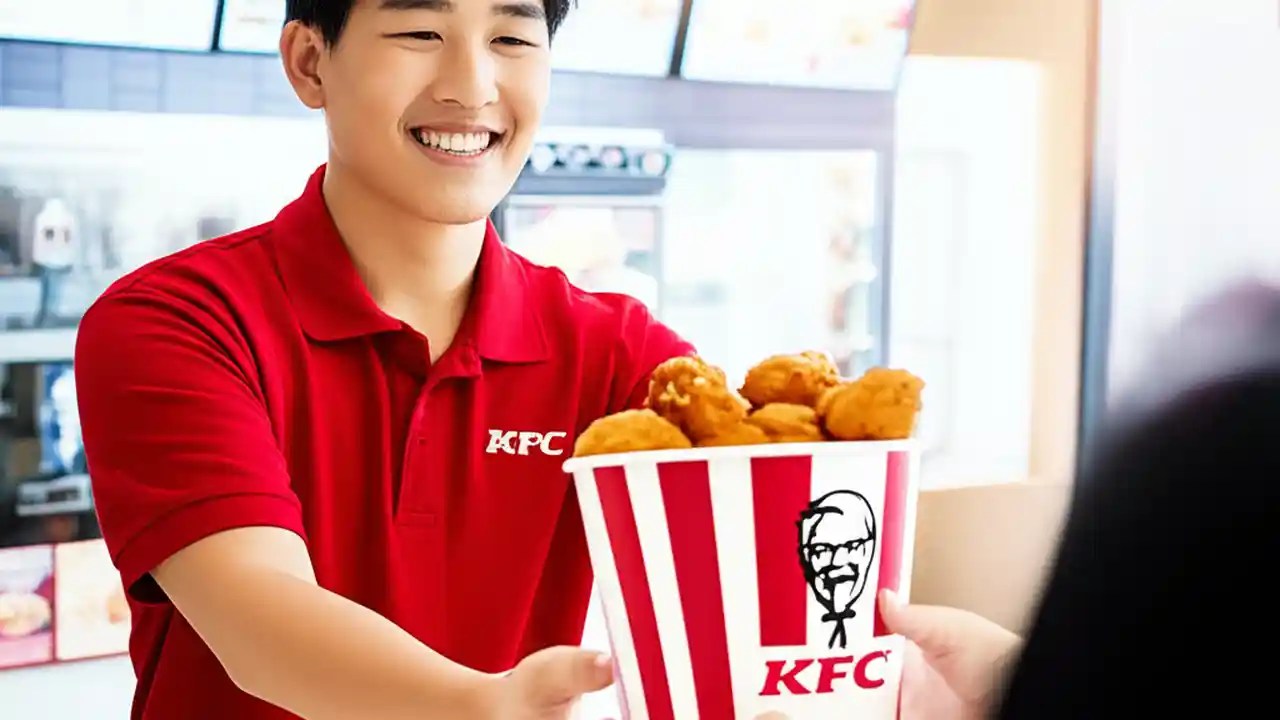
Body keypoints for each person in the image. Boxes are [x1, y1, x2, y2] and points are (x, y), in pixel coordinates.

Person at [75, 2, 696, 719]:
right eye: (420, 33)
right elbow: (259, 628)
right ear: (310, 62)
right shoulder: (178, 321)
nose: (472, 85)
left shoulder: (618, 354)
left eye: (511, 39)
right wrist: (482, 706)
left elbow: (769, 533)